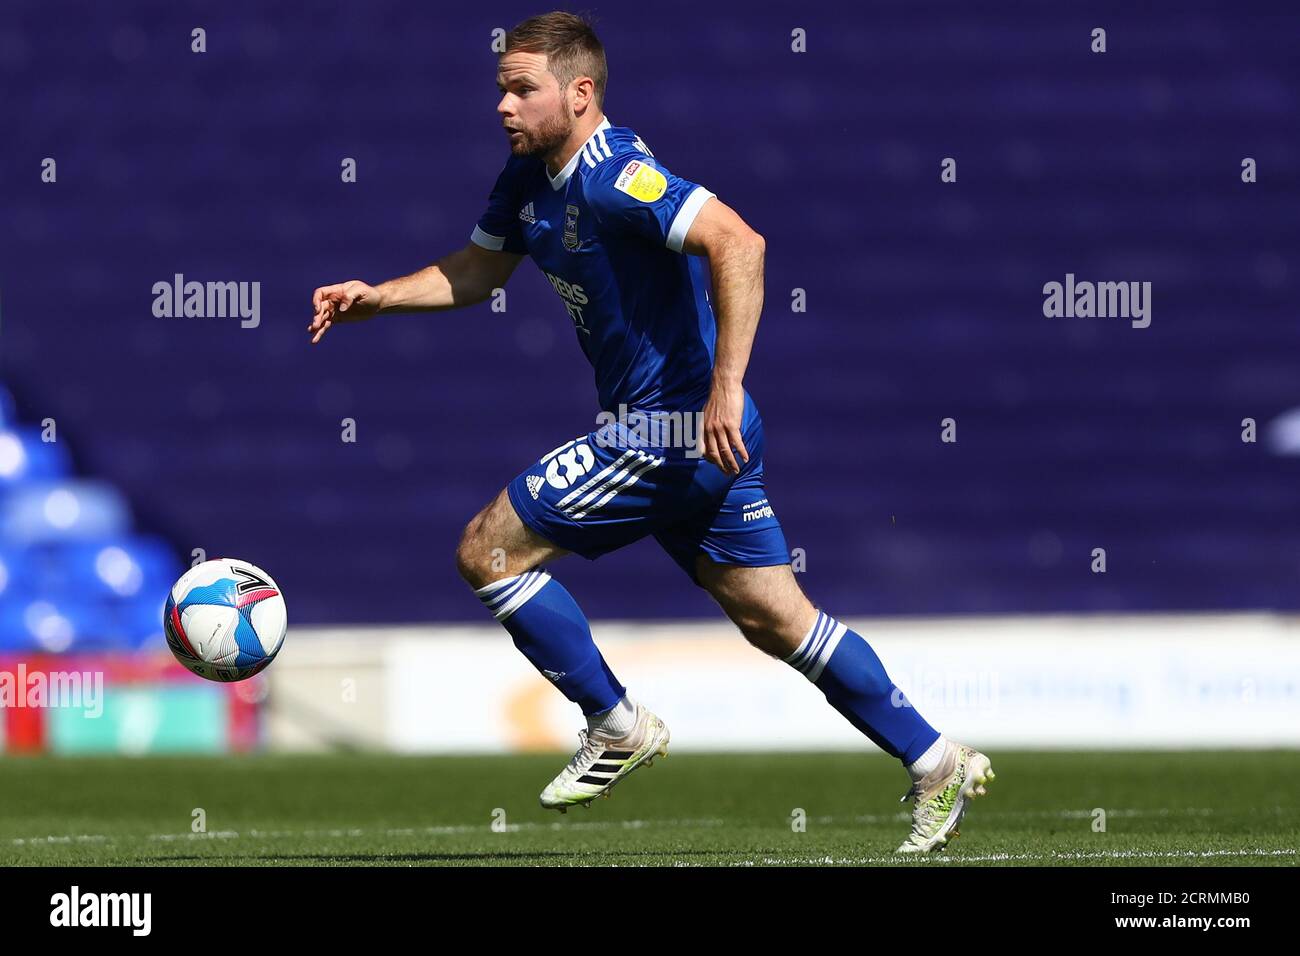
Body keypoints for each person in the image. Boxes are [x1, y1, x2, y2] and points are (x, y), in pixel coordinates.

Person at [308, 11, 993, 853]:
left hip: (667, 429)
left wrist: (727, 389)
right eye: (501, 91)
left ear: (580, 92)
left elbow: (738, 242)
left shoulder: (614, 175)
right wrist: (376, 294)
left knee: (487, 550)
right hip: (697, 438)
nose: (504, 107)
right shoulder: (527, 180)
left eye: (523, 90)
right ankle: (934, 759)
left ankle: (614, 721)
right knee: (779, 620)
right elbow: (478, 270)